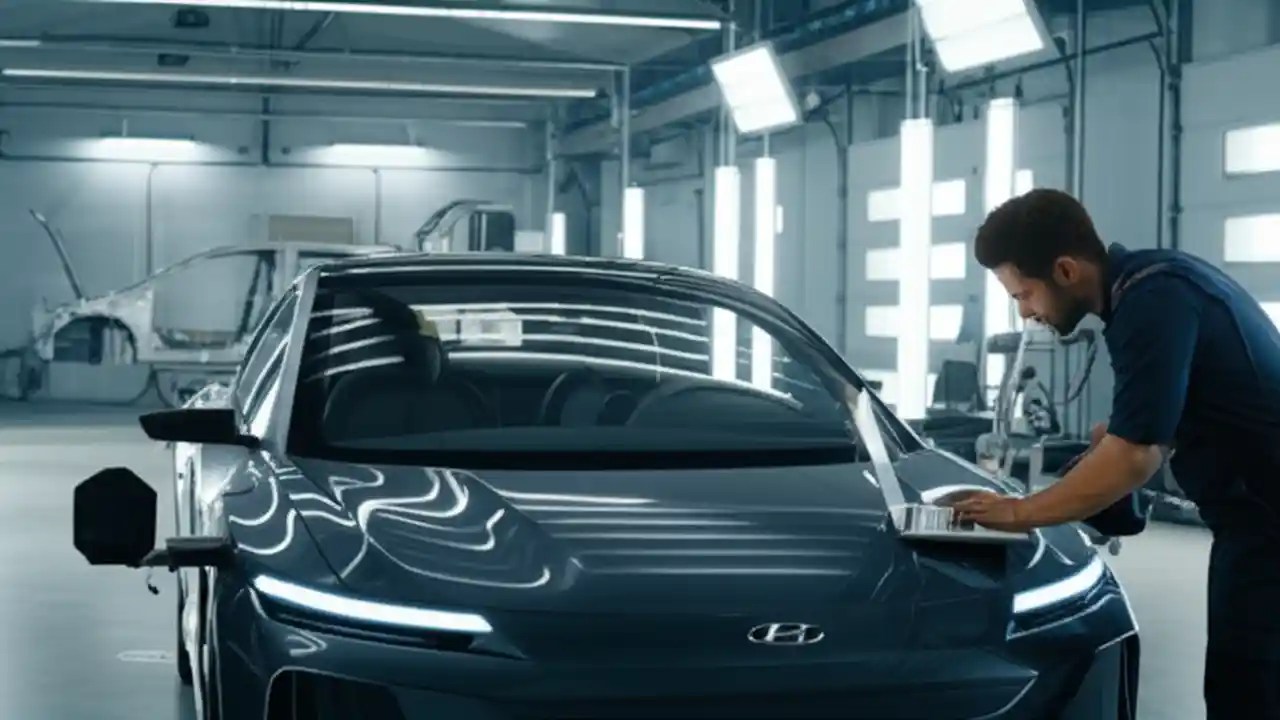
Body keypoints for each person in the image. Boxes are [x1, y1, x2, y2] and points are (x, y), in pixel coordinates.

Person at [951, 188, 1280, 718]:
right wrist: (1105, 450)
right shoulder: (1150, 287)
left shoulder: (1153, 301)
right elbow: (1144, 425)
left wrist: (1018, 514)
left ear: (1064, 270)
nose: (1026, 313)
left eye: (1024, 295)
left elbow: (1137, 455)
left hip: (1268, 522)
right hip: (1254, 518)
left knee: (1247, 689)